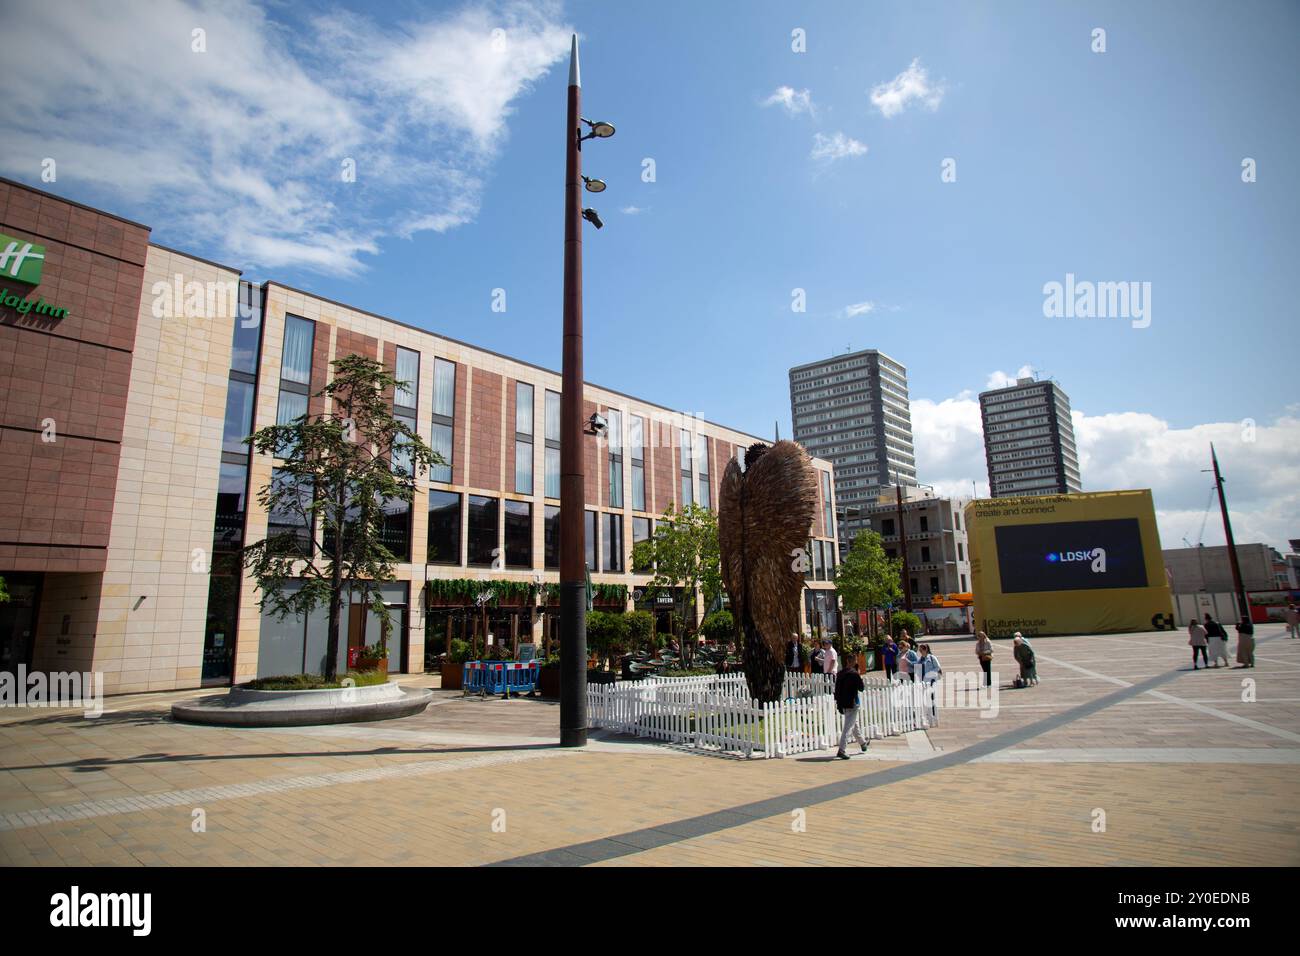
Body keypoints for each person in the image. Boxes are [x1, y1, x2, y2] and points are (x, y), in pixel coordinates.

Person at [834, 657, 869, 759]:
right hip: (853, 702)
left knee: (854, 725)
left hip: (843, 703)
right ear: (853, 662)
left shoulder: (840, 674)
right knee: (848, 727)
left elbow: (837, 690)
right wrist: (859, 675)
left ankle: (863, 743)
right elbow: (861, 688)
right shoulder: (854, 674)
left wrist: (838, 703)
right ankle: (842, 750)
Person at [918, 643, 943, 721]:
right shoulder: (920, 659)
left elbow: (938, 667)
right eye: (919, 650)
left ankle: (933, 713)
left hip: (931, 680)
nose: (920, 652)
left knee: (932, 697)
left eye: (921, 650)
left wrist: (930, 673)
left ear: (926, 650)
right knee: (926, 697)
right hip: (924, 681)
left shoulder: (932, 657)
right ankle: (928, 713)